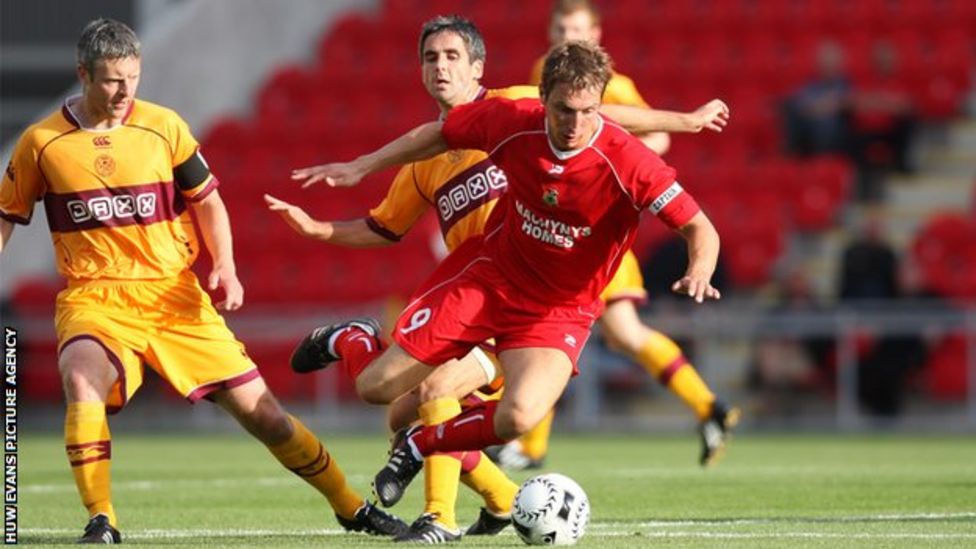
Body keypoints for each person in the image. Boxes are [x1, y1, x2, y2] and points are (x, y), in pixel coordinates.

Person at [269, 15, 728, 542]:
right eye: (431, 58)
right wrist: (356, 174)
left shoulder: (554, 122)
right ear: (545, 102)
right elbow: (397, 202)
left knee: (503, 415)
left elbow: (695, 221)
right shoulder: (495, 126)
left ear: (478, 66)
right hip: (487, 283)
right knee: (385, 396)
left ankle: (441, 504)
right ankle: (358, 346)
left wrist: (699, 256)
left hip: (557, 308)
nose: (441, 68)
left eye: (452, 57)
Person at [0, 19, 407, 544]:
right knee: (81, 380)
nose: (124, 91)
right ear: (83, 73)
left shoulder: (164, 127)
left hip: (173, 297)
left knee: (267, 418)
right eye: (112, 80)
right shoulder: (42, 143)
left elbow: (209, 201)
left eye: (132, 77)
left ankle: (350, 506)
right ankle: (101, 520)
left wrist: (226, 265)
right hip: (94, 298)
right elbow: (7, 215)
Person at [498, 0, 739, 470]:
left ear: (596, 34)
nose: (567, 37)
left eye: (577, 29)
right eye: (560, 28)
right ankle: (709, 406)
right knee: (621, 335)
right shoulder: (542, 73)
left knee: (546, 328)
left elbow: (659, 139)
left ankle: (530, 445)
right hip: (562, 229)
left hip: (590, 236)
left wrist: (610, 162)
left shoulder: (615, 85)